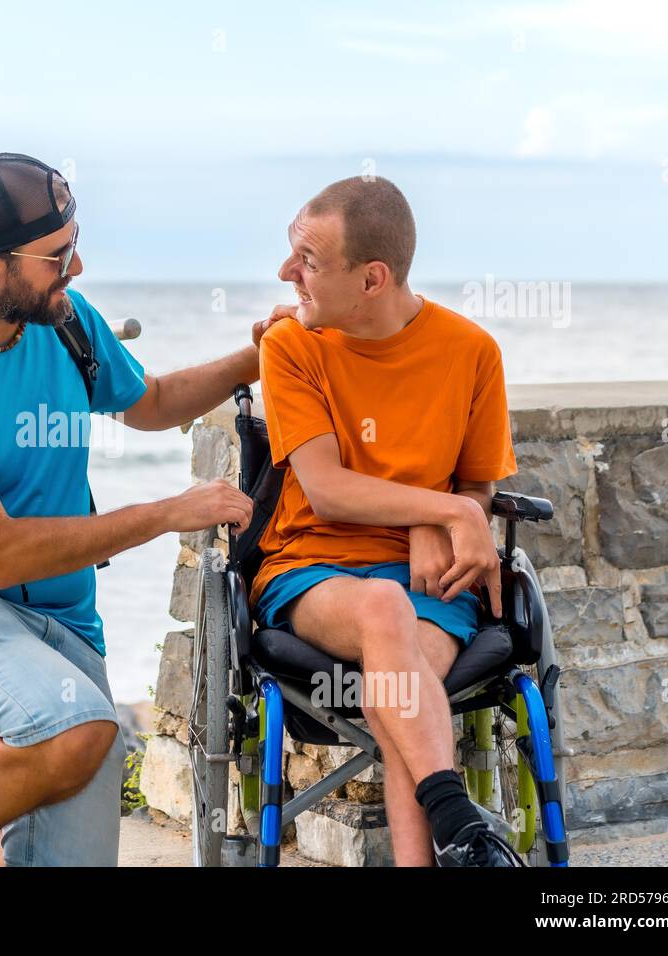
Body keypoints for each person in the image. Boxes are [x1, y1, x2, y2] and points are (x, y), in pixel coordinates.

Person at [0, 152, 279, 866]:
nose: (78, 269)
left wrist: (253, 359)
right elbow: (0, 552)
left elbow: (149, 402)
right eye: (59, 255)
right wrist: (165, 512)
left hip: (60, 616)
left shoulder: (64, 322)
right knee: (77, 728)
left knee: (67, 824)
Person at [253, 175, 523, 866]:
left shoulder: (471, 353)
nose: (288, 274)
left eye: (308, 260)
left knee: (401, 697)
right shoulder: (292, 346)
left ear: (372, 278)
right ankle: (459, 819)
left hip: (429, 582)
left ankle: (441, 847)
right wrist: (443, 510)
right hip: (313, 571)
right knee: (382, 610)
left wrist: (445, 517)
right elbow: (329, 491)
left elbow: (477, 487)